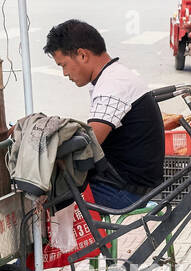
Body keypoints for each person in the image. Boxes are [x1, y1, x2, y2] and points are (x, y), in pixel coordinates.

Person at [44, 19, 164, 210]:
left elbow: (89, 142)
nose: (65, 73)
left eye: (64, 65)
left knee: (49, 198)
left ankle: (76, 240)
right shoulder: (115, 75)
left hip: (127, 190)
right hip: (130, 180)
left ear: (82, 55)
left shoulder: (112, 85)